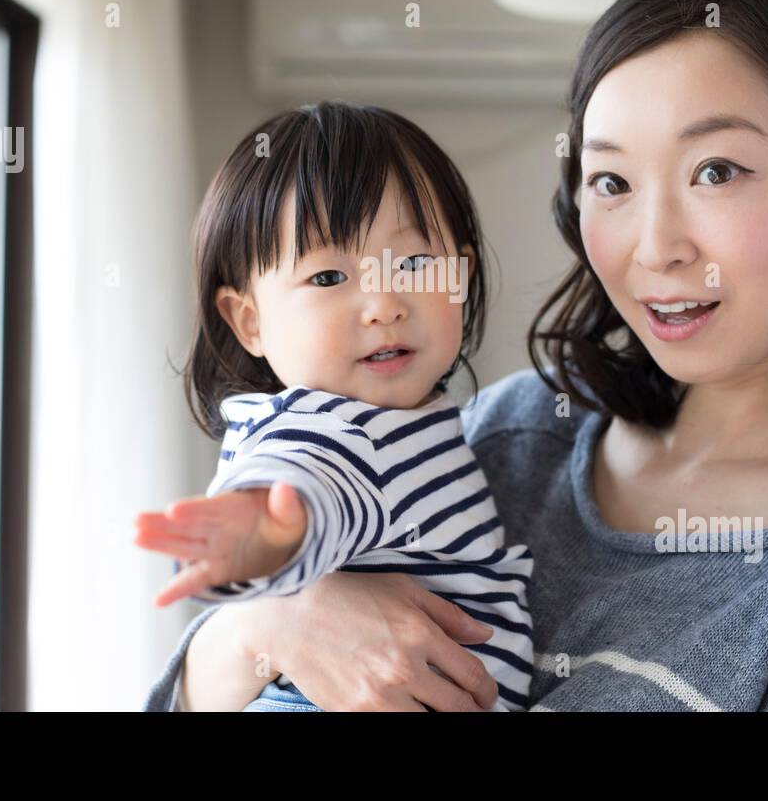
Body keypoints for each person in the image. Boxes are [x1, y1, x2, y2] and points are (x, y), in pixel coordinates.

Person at [145, 0, 768, 712]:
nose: (655, 246)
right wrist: (276, 626)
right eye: (611, 182)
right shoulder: (514, 436)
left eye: (716, 170)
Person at [134, 101, 533, 710]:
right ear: (250, 322)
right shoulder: (343, 429)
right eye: (327, 278)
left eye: (416, 263)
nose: (383, 303)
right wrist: (266, 530)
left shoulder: (410, 425)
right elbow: (308, 483)